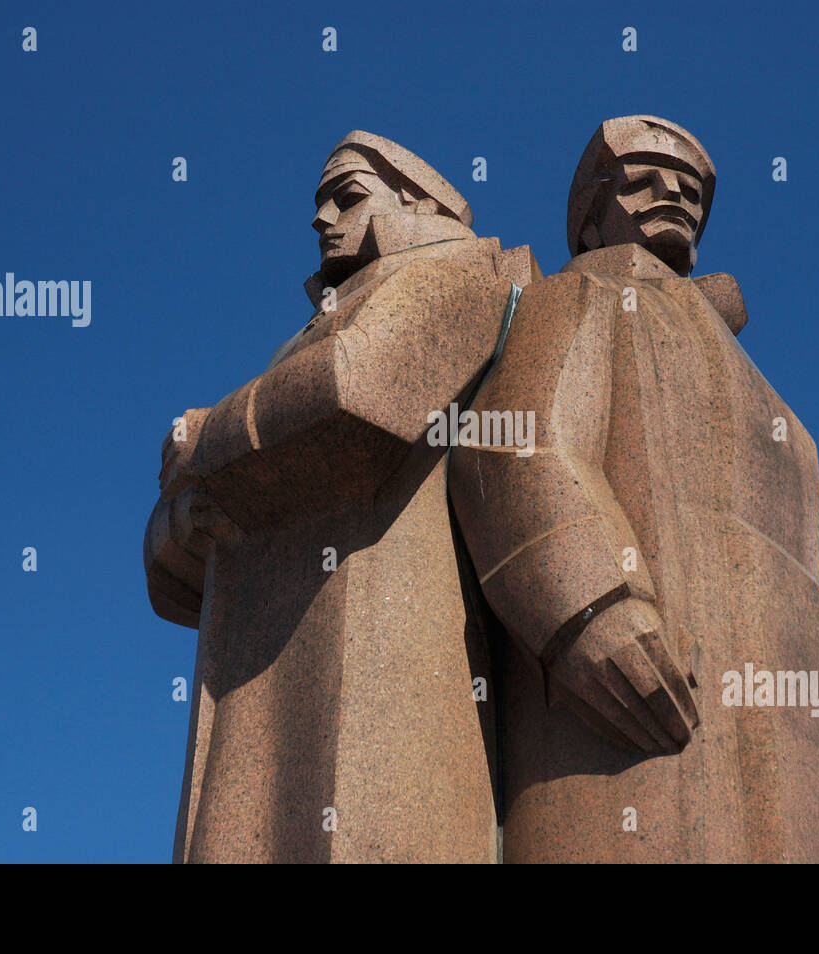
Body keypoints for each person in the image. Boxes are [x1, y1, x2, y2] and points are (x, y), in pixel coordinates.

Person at [448, 115, 819, 862]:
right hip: (631, 702)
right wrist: (590, 609)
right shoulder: (584, 293)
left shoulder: (760, 390)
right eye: (643, 178)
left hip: (787, 731)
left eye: (691, 188)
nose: (673, 192)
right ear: (589, 218)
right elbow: (513, 442)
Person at [143, 131, 538, 862]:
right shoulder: (297, 341)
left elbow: (355, 394)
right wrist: (184, 518)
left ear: (417, 201)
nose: (322, 217)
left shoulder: (461, 270)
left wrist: (200, 441)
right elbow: (171, 583)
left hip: (390, 652)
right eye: (321, 202)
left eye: (347, 195)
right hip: (249, 682)